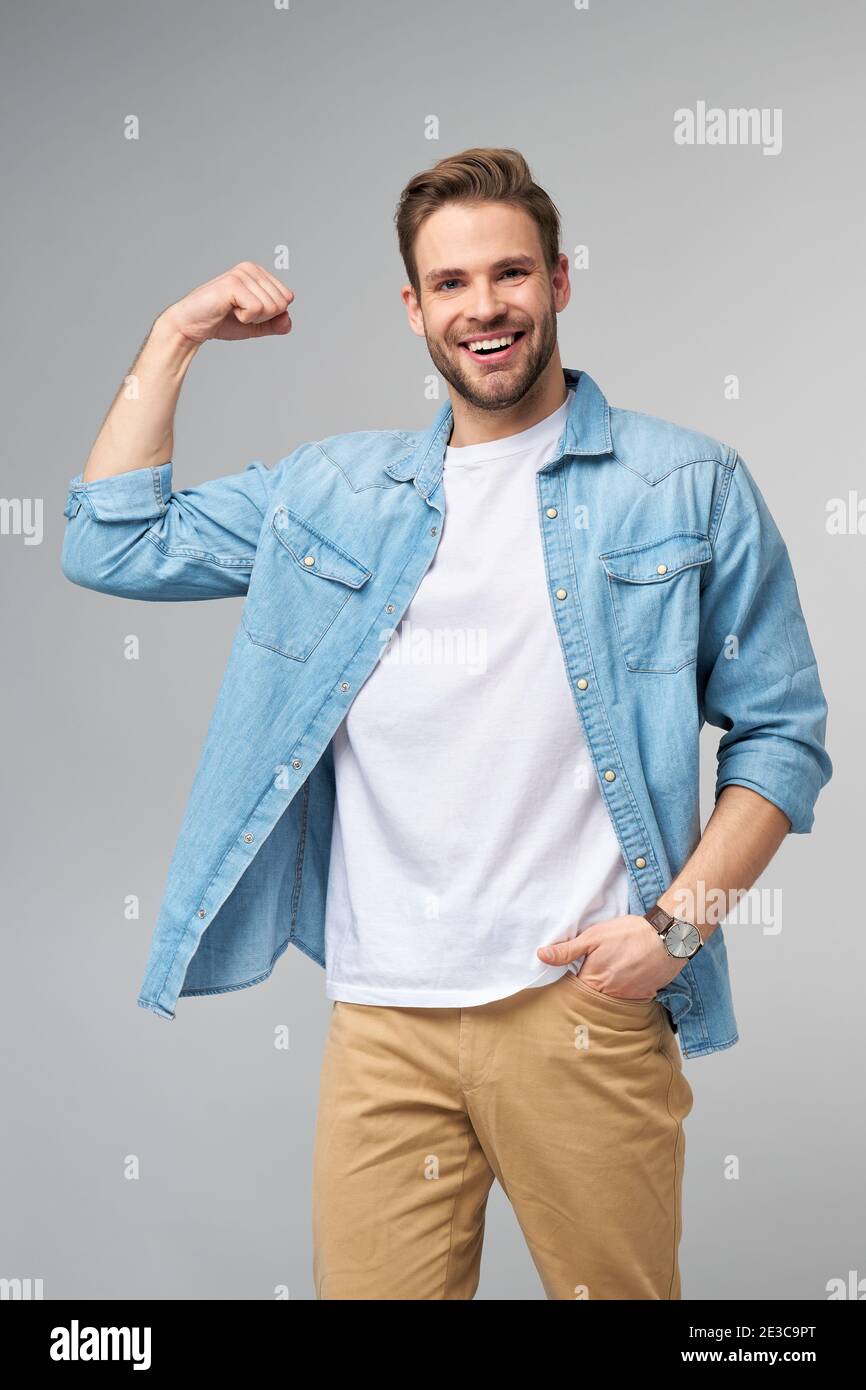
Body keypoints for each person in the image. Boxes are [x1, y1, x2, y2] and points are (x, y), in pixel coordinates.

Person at [60, 146, 832, 1300]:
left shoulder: (684, 485)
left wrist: (675, 927)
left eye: (510, 274)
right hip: (383, 1021)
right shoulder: (334, 493)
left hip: (579, 1013)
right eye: (453, 284)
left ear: (559, 283)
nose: (487, 307)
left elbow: (782, 736)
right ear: (414, 308)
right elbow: (107, 540)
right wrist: (176, 333)